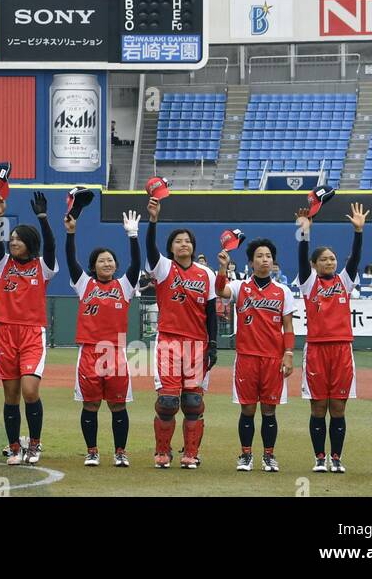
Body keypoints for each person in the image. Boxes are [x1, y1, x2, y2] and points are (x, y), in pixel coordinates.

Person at [144, 196, 219, 469]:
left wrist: (213, 346)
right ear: (171, 248)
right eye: (178, 241)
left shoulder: (207, 274)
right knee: (166, 402)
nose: (183, 244)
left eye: (187, 240)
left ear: (193, 246)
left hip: (198, 344)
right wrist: (153, 220)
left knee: (193, 401)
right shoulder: (164, 268)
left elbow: (211, 313)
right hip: (169, 341)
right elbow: (151, 250)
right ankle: (162, 451)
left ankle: (191, 453)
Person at [0, 190, 58, 466]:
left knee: (30, 390)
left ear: (29, 243)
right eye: (11, 238)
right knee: (11, 395)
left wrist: (43, 218)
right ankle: (15, 446)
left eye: (18, 239)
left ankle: (35, 444)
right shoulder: (3, 264)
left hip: (31, 332)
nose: (13, 242)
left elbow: (51, 245)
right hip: (5, 332)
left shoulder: (43, 266)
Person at [295, 204, 366, 473]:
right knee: (318, 407)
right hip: (316, 351)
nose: (329, 262)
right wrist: (304, 232)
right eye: (324, 259)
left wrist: (358, 232)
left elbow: (355, 259)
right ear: (314, 265)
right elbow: (302, 257)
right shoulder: (309, 282)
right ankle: (319, 458)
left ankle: (336, 458)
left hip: (342, 350)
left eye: (332, 259)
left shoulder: (344, 282)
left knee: (338, 407)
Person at [216, 236, 296, 473]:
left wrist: (289, 353)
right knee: (248, 409)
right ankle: (246, 454)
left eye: (268, 256)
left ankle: (269, 456)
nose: (265, 260)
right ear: (251, 262)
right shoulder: (241, 286)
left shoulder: (283, 291)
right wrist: (222, 267)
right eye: (259, 256)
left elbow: (288, 327)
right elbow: (220, 290)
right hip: (247, 357)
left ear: (273, 262)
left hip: (273, 359)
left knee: (269, 410)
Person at [68, 210, 141, 468]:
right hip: (89, 351)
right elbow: (70, 259)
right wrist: (71, 233)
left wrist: (132, 236)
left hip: (115, 353)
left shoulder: (125, 286)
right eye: (102, 261)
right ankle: (92, 451)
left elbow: (136, 265)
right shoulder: (83, 283)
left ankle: (120, 452)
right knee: (90, 404)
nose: (107, 264)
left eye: (110, 260)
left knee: (118, 406)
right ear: (93, 265)